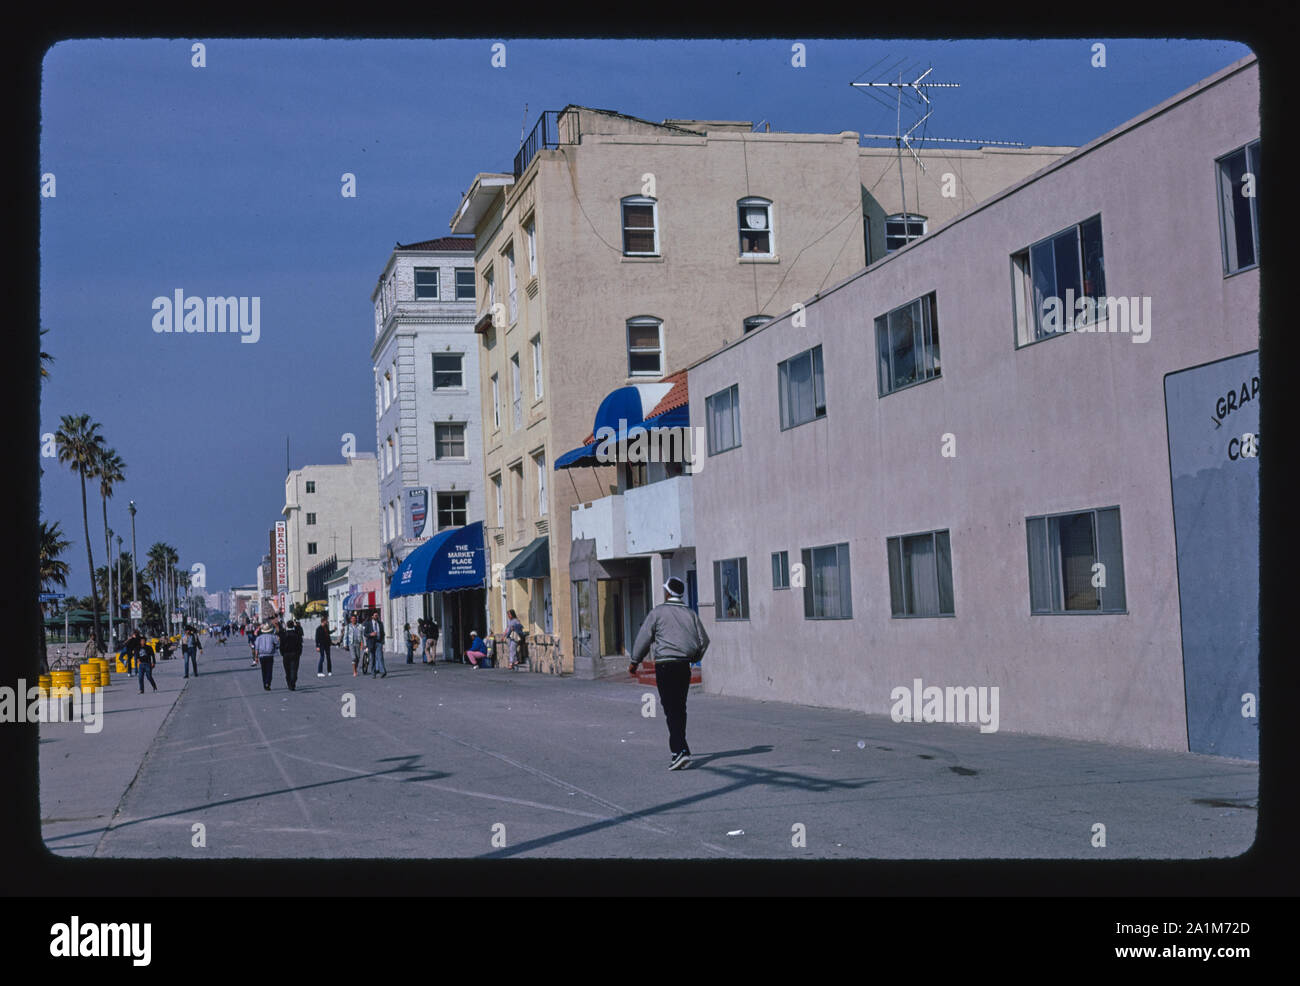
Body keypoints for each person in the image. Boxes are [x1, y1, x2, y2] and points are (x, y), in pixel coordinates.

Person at [629, 577, 710, 771]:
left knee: (670, 708)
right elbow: (704, 641)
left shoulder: (658, 612)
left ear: (667, 593)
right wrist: (694, 657)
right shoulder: (690, 614)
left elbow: (644, 637)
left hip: (665, 665)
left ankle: (679, 751)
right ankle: (681, 748)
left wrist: (635, 661)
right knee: (679, 707)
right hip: (683, 666)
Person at [280, 619, 304, 691]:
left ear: (287, 626)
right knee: (294, 669)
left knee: (287, 670)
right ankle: (293, 682)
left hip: (286, 654)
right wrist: (299, 652)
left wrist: (282, 653)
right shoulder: (296, 634)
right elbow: (300, 644)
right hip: (295, 653)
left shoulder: (284, 634)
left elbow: (281, 645)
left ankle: (289, 683)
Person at [254, 622, 279, 690]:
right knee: (269, 670)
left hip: (262, 656)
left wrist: (256, 657)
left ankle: (265, 683)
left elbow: (256, 648)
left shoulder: (259, 638)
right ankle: (268, 682)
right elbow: (277, 643)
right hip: (270, 655)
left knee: (263, 670)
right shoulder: (272, 637)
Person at [366, 611, 386, 678]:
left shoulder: (380, 623)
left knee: (380, 657)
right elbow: (365, 633)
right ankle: (373, 673)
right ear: (372, 616)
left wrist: (382, 641)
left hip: (379, 642)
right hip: (371, 643)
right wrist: (370, 634)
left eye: (377, 615)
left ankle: (382, 672)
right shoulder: (368, 624)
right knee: (373, 658)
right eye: (375, 615)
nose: (377, 617)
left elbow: (382, 633)